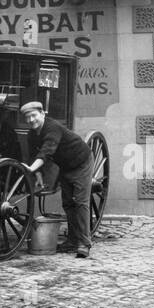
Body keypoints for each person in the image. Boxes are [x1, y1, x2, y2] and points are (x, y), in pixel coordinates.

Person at [19, 100, 94, 259]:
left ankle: (84, 244)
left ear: (43, 114)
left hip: (81, 162)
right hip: (65, 166)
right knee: (68, 203)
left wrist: (31, 169)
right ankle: (72, 240)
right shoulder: (32, 134)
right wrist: (37, 174)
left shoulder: (53, 128)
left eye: (34, 115)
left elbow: (46, 152)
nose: (31, 120)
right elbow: (34, 154)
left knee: (81, 202)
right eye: (27, 118)